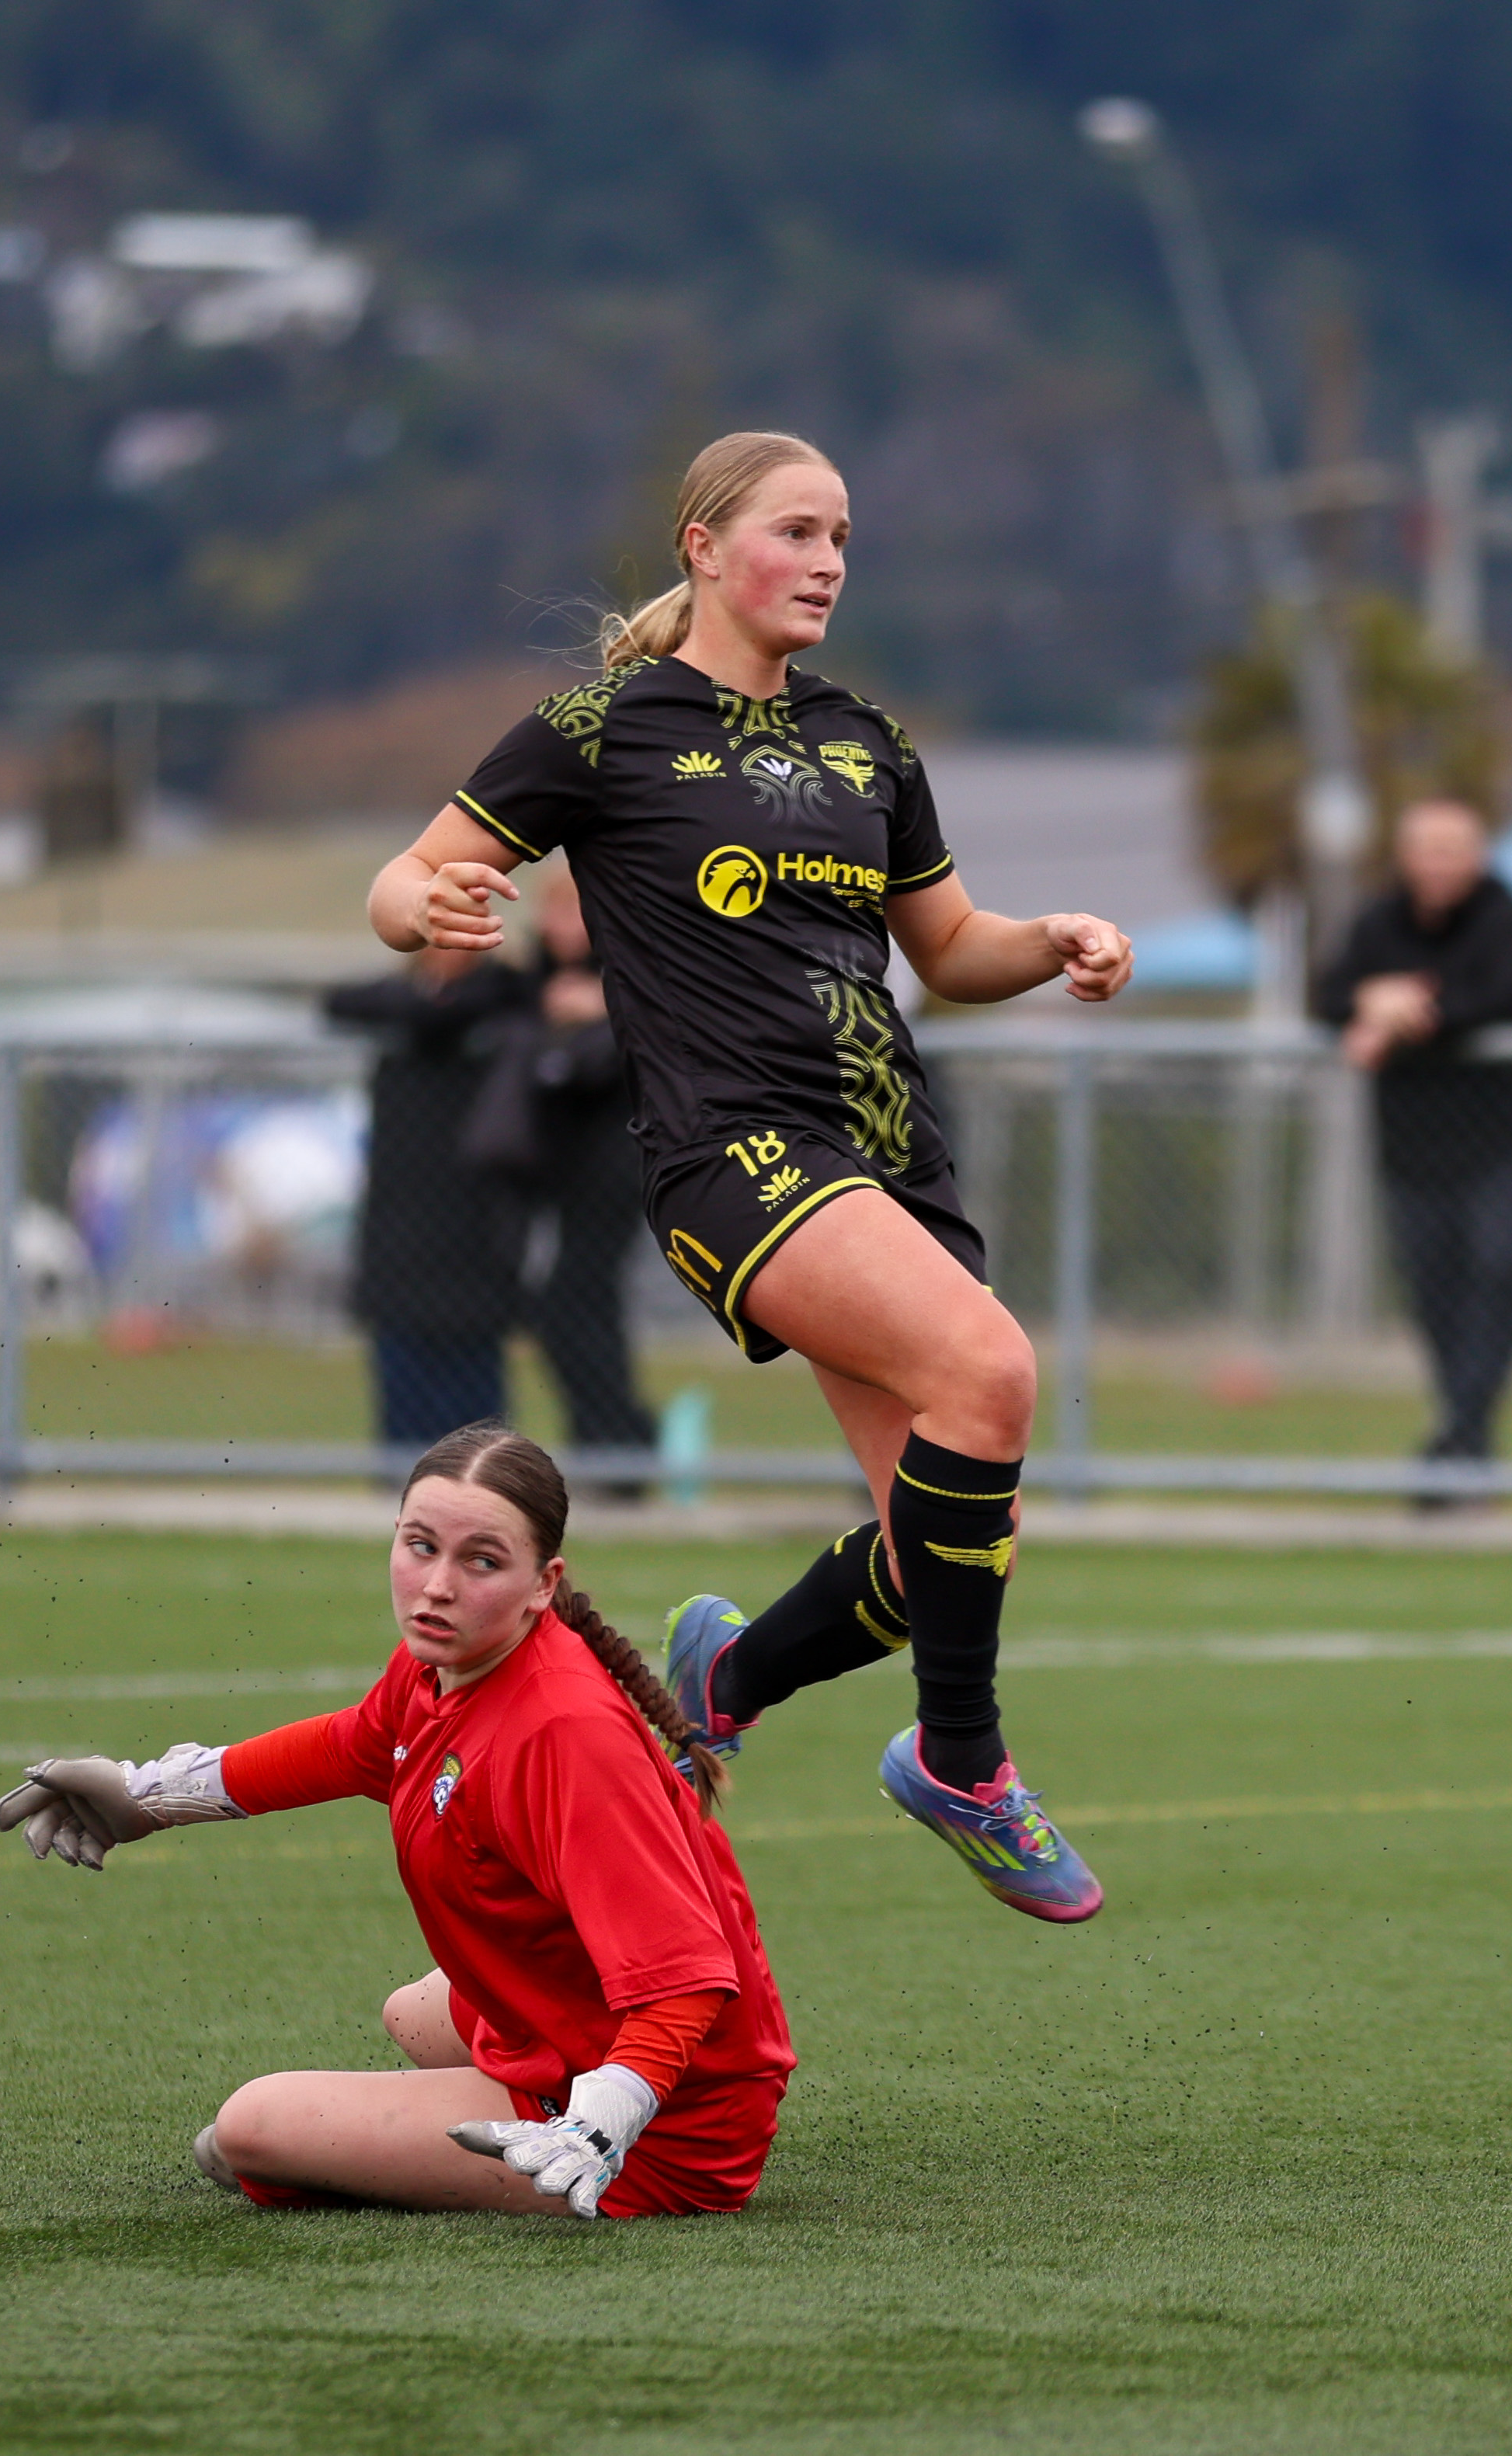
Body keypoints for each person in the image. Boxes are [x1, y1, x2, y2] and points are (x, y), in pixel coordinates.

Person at [365, 431, 1132, 1924]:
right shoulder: (605, 725)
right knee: (991, 1370)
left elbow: (949, 947)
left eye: (844, 535)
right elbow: (406, 878)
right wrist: (429, 903)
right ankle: (962, 1759)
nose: (830, 560)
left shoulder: (869, 742)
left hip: (889, 1150)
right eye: (798, 530)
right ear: (704, 546)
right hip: (736, 1152)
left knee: (939, 1549)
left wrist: (1050, 941)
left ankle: (731, 1671)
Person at [0, 1424, 795, 2218]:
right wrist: (152, 1796)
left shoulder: (564, 1730)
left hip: (670, 2126)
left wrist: (601, 2123)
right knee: (411, 2014)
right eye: (419, 1546)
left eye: (481, 1561)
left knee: (250, 2128)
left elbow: (688, 1980)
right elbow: (355, 1745)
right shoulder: (443, 1660)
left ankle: (536, 2131)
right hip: (578, 2031)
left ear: (545, 1583)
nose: (437, 1585)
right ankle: (451, 2113)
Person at [1312, 796, 1512, 1481]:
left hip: (1504, 1144)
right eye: (1428, 847)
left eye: (1455, 847)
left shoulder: (1509, 918)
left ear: (1478, 856)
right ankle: (1463, 1438)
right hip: (1413, 1150)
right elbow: (1329, 994)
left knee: (1506, 1270)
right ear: (1404, 855)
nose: (1440, 862)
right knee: (1434, 1293)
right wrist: (1369, 1003)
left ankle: (1462, 1435)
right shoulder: (1379, 923)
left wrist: (1413, 1011)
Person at [468, 865, 659, 1464]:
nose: (562, 926)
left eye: (575, 910)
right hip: (552, 1174)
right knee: (561, 1307)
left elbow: (605, 1065)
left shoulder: (633, 977)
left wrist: (601, 1011)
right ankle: (605, 1439)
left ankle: (620, 1441)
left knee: (578, 1299)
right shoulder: (532, 984)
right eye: (554, 912)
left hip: (614, 1170)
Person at [326, 943, 529, 1449]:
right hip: (401, 1220)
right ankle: (407, 1491)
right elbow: (341, 1002)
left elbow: (467, 1008)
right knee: (403, 1374)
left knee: (475, 1394)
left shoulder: (505, 997)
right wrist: (424, 998)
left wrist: (443, 999)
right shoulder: (398, 1003)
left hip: (476, 1221)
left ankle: (486, 1485)